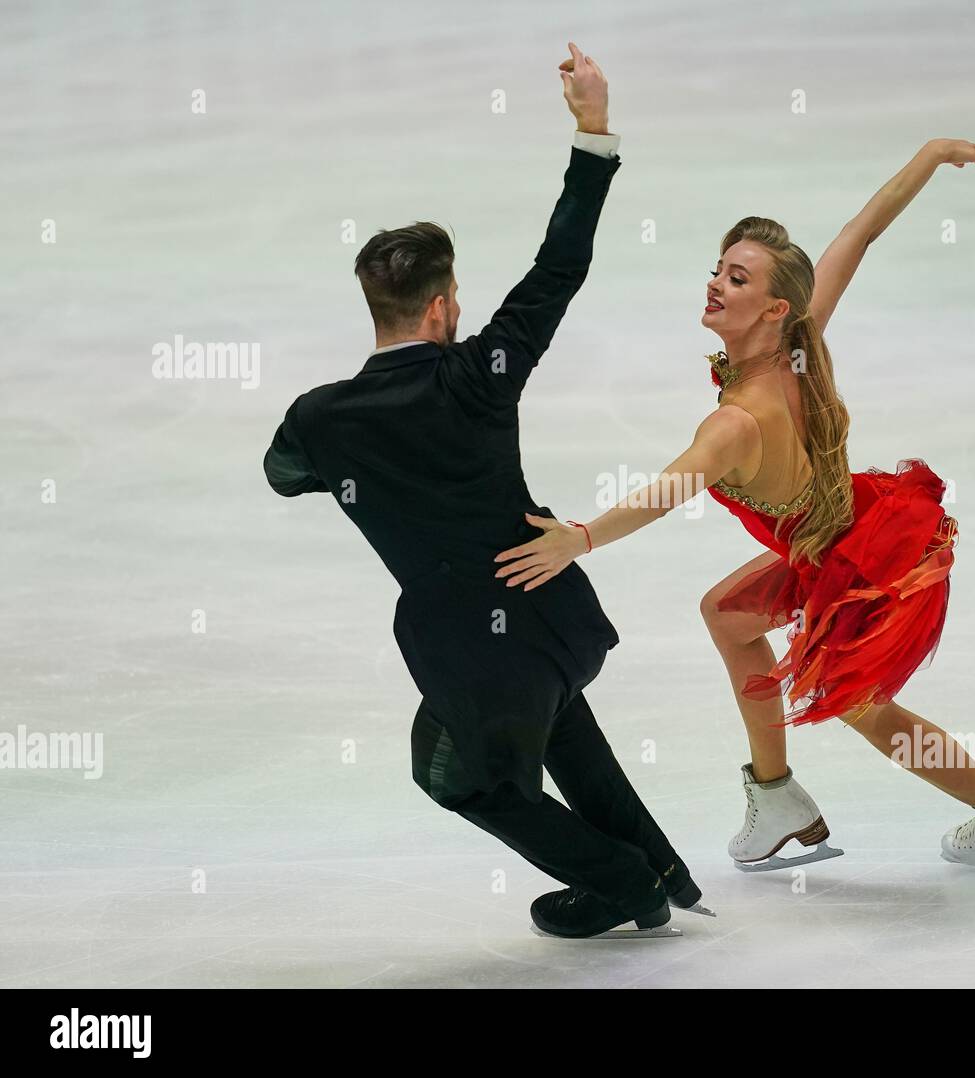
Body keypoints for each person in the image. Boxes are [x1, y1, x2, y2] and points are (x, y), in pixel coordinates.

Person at [494, 139, 975, 869]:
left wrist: (581, 537)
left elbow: (668, 489)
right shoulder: (800, 340)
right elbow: (862, 230)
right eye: (717, 270)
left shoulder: (735, 422)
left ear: (773, 307)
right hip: (848, 532)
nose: (715, 285)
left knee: (862, 709)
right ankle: (778, 794)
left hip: (866, 567)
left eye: (737, 278)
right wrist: (930, 155)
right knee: (728, 614)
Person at [263, 43, 705, 938]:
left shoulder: (320, 419)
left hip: (474, 648)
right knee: (550, 712)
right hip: (554, 616)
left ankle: (626, 881)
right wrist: (591, 133)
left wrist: (356, 480)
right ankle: (662, 866)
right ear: (439, 309)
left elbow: (282, 476)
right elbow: (557, 271)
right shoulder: (478, 374)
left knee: (455, 772)